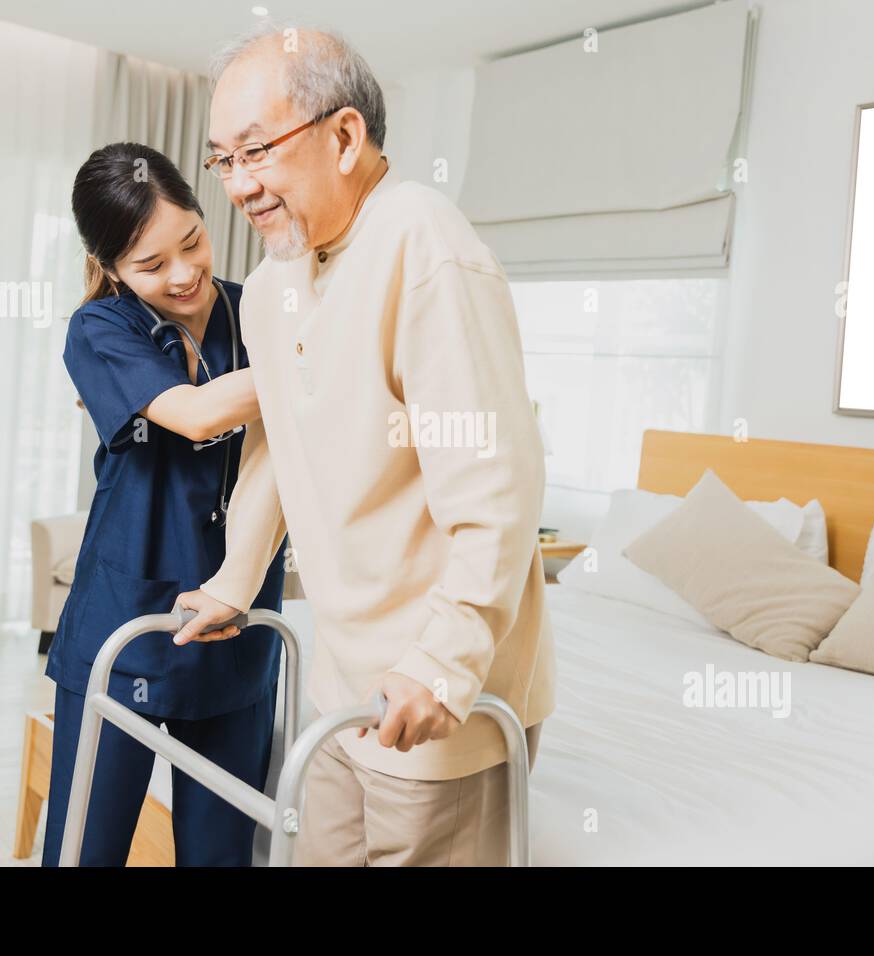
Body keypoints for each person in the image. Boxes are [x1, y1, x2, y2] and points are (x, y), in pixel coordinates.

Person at [173, 24, 555, 866]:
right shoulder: (275, 285)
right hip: (342, 683)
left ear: (344, 136)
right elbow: (280, 443)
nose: (238, 184)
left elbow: (497, 480)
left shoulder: (422, 241)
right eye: (222, 160)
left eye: (256, 150)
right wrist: (237, 579)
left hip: (437, 695)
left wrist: (445, 662)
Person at [40, 142, 286, 867]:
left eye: (193, 242)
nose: (184, 275)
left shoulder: (261, 313)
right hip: (123, 628)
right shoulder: (101, 329)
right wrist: (315, 358)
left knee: (220, 857)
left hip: (234, 632)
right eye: (150, 265)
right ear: (110, 267)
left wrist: (306, 348)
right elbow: (200, 413)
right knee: (85, 852)